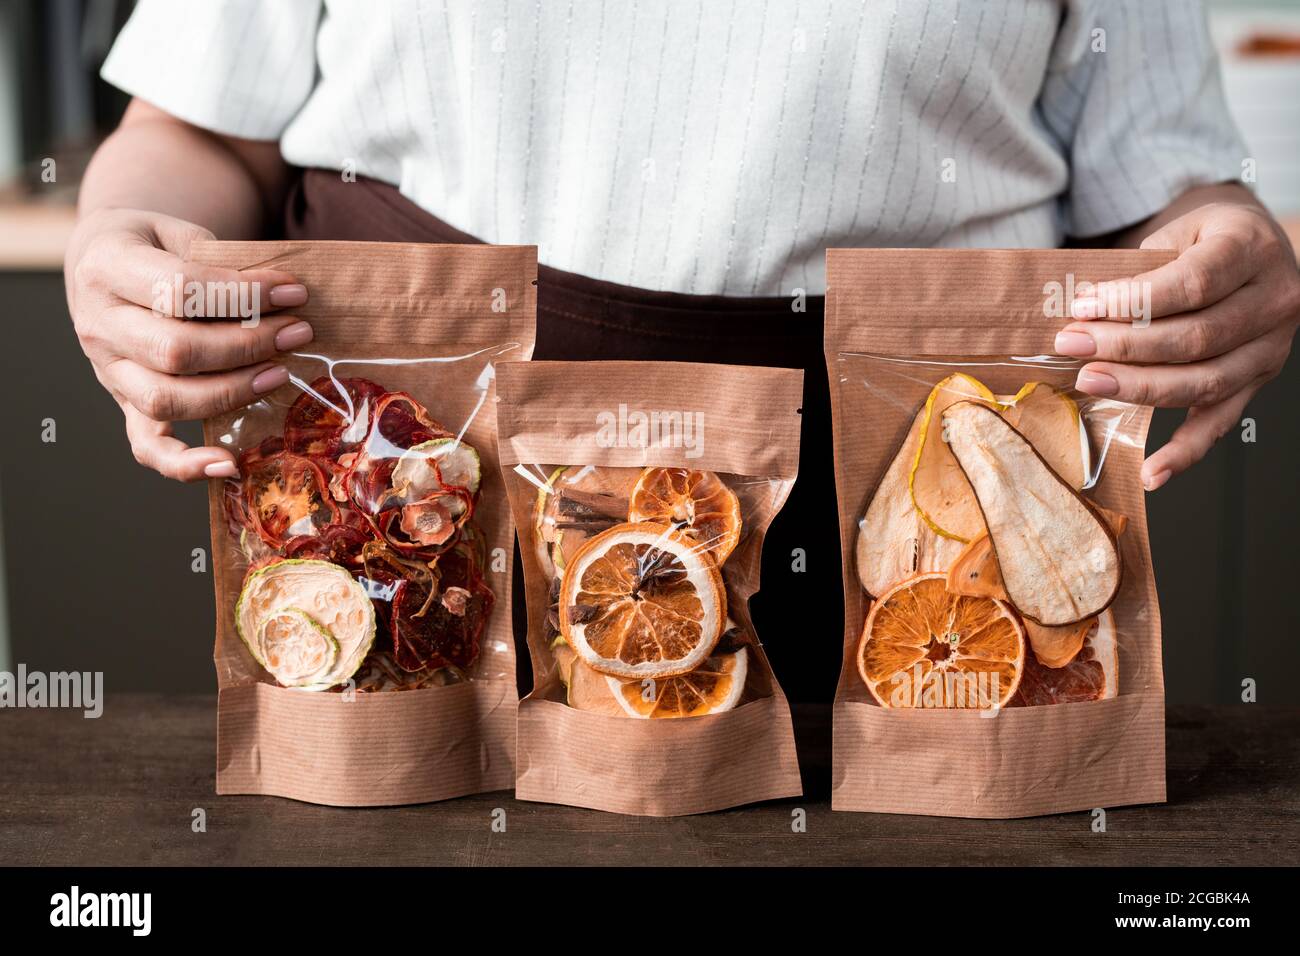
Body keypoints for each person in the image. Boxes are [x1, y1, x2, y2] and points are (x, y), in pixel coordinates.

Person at [66, 1, 1299, 698]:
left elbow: (1157, 181)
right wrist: (117, 239)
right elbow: (197, 132)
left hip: (918, 513)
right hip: (407, 488)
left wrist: (1220, 240)